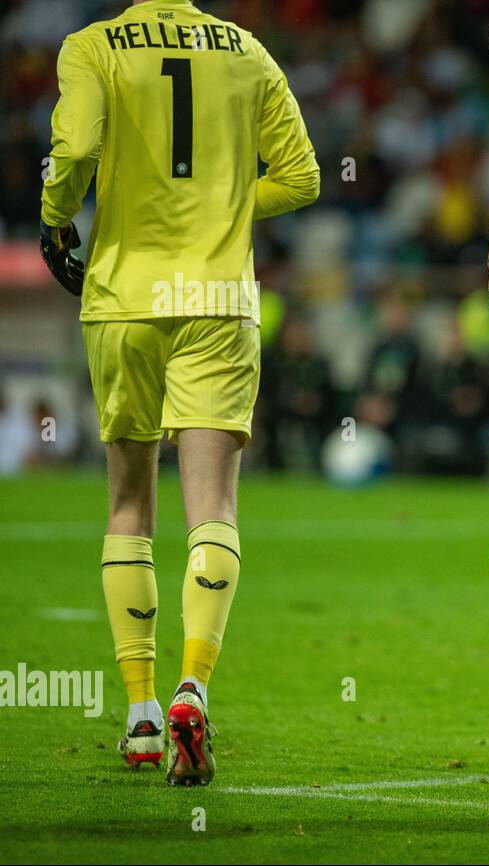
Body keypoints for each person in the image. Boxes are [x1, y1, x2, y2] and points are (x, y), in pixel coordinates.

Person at [40, 0, 319, 785]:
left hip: (126, 296)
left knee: (129, 504)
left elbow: (76, 146)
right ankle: (194, 686)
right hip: (219, 299)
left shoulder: (92, 46)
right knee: (215, 509)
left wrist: (56, 217)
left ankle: (139, 714)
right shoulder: (247, 50)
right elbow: (302, 177)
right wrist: (224, 207)